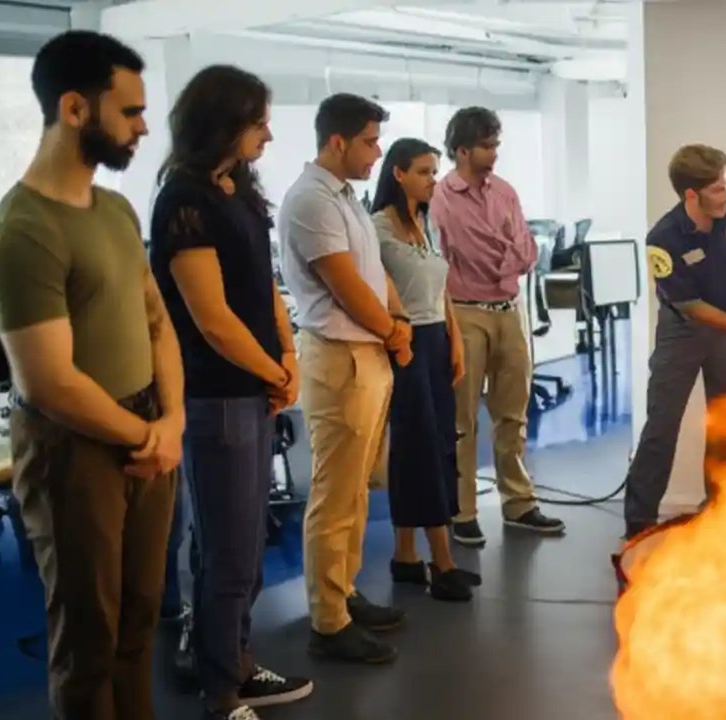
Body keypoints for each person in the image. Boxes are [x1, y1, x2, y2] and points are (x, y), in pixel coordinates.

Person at [0, 31, 184, 719]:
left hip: (147, 428)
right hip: (76, 450)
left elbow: (156, 321)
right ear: (73, 109)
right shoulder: (19, 233)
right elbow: (48, 382)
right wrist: (146, 436)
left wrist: (171, 421)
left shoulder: (116, 210)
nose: (143, 125)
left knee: (140, 622)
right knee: (88, 643)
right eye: (129, 111)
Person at [149, 65, 314, 719]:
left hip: (252, 385)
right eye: (258, 122)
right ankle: (221, 692)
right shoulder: (185, 201)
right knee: (228, 549)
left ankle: (238, 663)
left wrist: (287, 356)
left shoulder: (238, 191)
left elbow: (263, 289)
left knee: (245, 542)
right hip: (216, 392)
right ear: (223, 123)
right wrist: (271, 373)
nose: (268, 135)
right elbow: (211, 318)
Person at [279, 93, 412, 665]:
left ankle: (344, 592)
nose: (377, 152)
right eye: (369, 141)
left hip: (369, 352)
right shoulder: (310, 199)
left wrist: (399, 320)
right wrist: (391, 330)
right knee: (335, 493)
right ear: (338, 141)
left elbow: (374, 270)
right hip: (340, 354)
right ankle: (327, 623)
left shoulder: (347, 199)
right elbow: (343, 284)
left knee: (357, 489)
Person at [622, 144, 726, 540]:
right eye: (717, 189)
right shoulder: (662, 240)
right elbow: (694, 308)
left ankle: (725, 509)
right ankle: (639, 522)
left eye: (725, 185)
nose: (725, 196)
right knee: (662, 425)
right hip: (683, 330)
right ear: (691, 196)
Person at [429, 106, 565, 548]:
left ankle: (519, 502)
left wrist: (501, 250)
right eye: (487, 146)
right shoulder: (441, 198)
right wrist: (503, 249)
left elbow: (527, 253)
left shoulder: (505, 191)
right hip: (465, 311)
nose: (494, 153)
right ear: (462, 149)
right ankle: (462, 510)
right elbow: (462, 255)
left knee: (513, 413)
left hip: (510, 310)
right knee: (462, 417)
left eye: (496, 144)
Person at [372, 138, 482, 602]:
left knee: (437, 443)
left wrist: (455, 338)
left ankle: (405, 556)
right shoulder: (376, 229)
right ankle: (442, 561)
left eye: (434, 172)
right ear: (397, 173)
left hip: (437, 339)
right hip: (406, 344)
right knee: (417, 449)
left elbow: (442, 291)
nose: (433, 180)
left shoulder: (426, 224)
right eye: (423, 172)